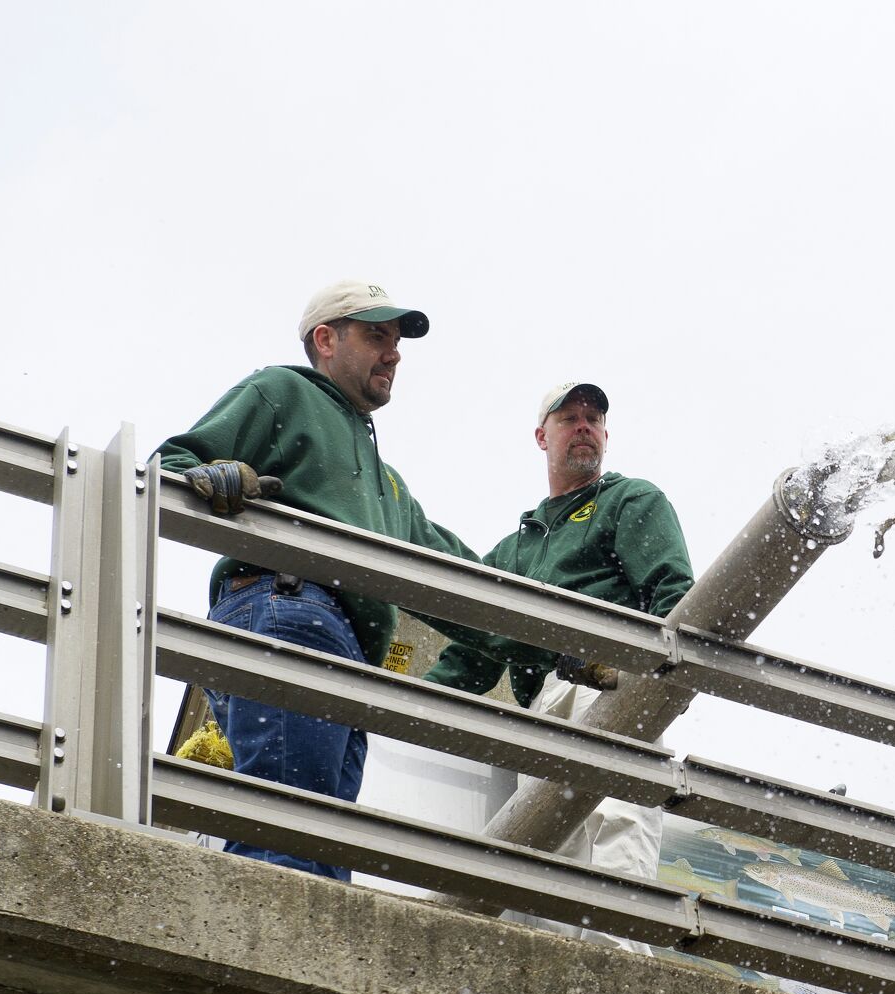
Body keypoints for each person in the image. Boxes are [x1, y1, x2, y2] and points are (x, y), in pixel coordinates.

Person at [158, 280, 509, 880]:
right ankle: (260, 935)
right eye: (377, 336)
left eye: (397, 342)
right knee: (289, 834)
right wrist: (216, 475)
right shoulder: (282, 390)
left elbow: (461, 582)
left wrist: (555, 642)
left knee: (321, 851)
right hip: (286, 607)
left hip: (345, 649)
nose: (393, 353)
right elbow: (172, 463)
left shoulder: (387, 485)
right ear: (325, 340)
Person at [427, 380, 694, 878]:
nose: (584, 427)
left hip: (611, 686)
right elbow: (473, 652)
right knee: (548, 857)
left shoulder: (629, 499)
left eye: (594, 419)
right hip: (540, 708)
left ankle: (619, 930)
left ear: (606, 436)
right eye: (569, 418)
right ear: (541, 437)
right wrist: (400, 705)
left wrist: (654, 686)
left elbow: (674, 594)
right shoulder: (514, 551)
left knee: (617, 830)